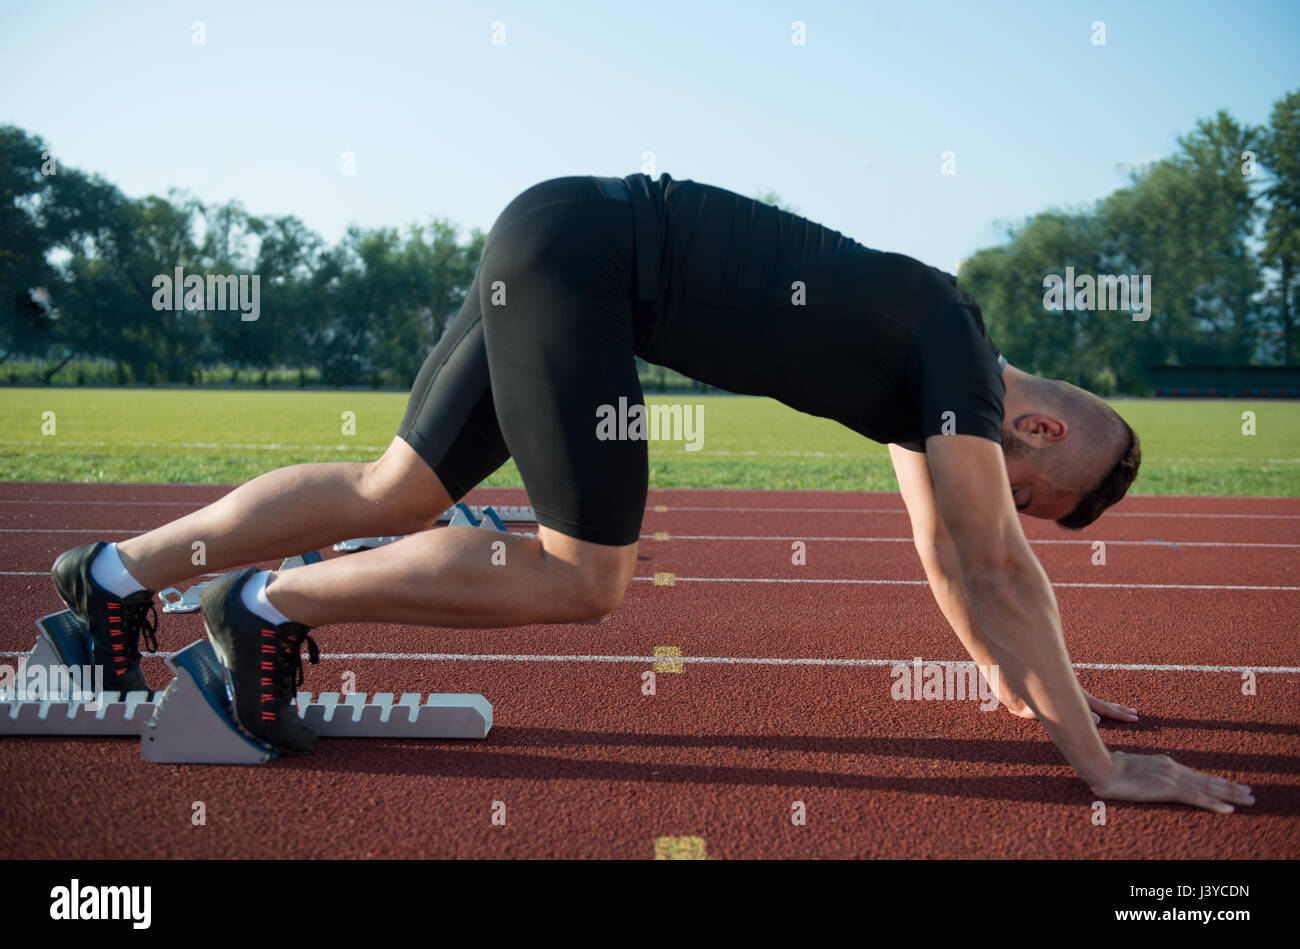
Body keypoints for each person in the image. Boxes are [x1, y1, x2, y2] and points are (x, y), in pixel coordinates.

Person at [50, 173, 1252, 814]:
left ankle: (110, 582)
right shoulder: (953, 359)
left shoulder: (933, 352)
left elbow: (955, 557)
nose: (1012, 499)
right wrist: (1096, 763)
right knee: (586, 573)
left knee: (395, 486)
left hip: (557, 227)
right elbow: (997, 560)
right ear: (1031, 428)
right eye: (1036, 490)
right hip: (586, 263)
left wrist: (1015, 679)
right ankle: (260, 607)